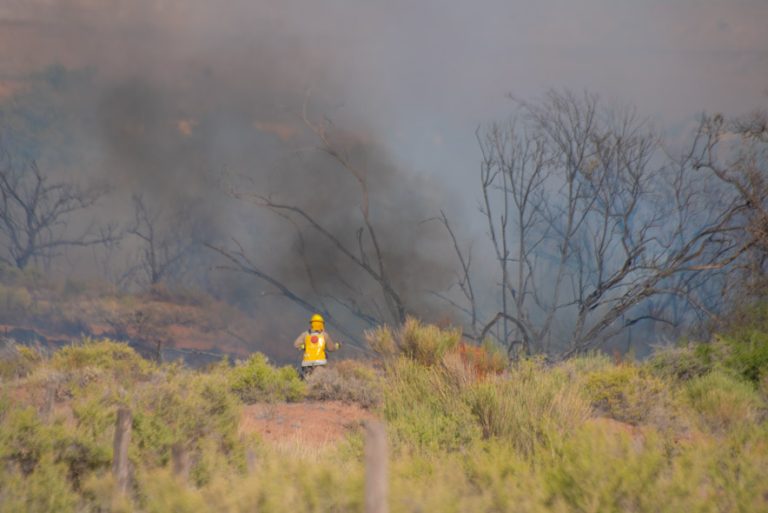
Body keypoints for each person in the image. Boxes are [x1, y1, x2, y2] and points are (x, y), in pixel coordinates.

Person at [293, 314, 341, 378]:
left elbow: (296, 345)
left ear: (312, 324)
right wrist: (338, 345)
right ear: (321, 324)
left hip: (307, 363)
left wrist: (304, 347)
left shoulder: (305, 334)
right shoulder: (324, 335)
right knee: (319, 380)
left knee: (308, 379)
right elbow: (331, 349)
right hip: (320, 364)